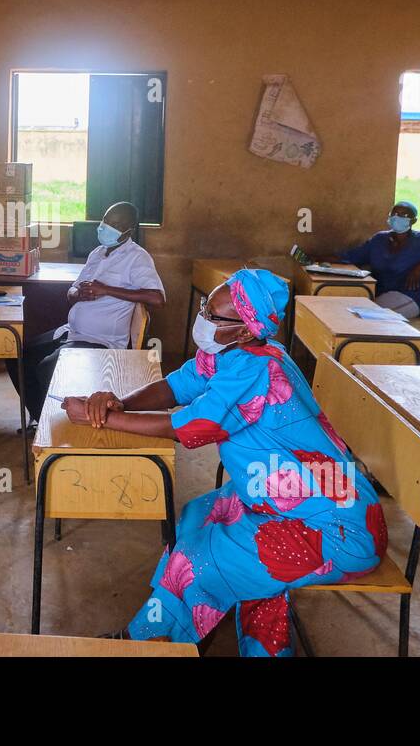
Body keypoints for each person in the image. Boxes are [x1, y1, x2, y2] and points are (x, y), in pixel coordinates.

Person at [62, 269, 385, 655]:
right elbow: (174, 387)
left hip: (335, 527)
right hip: (288, 500)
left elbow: (195, 426)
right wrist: (118, 402)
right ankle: (185, 634)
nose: (203, 318)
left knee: (197, 562)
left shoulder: (258, 368)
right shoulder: (229, 354)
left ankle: (143, 644)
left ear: (246, 331)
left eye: (214, 316)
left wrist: (106, 418)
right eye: (205, 307)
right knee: (197, 514)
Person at [6, 201, 164, 424]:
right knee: (17, 355)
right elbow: (72, 290)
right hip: (72, 331)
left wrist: (106, 289)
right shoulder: (98, 253)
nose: (107, 227)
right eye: (106, 220)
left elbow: (157, 298)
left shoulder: (137, 258)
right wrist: (77, 294)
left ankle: (57, 428)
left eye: (116, 224)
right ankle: (42, 418)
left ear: (128, 230)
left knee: (46, 368)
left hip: (100, 340)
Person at [338, 201, 420, 319]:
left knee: (370, 317)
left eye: (403, 216)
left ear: (413, 221)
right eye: (394, 214)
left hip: (408, 298)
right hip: (380, 295)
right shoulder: (379, 239)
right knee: (351, 312)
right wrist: (321, 260)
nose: (397, 218)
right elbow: (350, 257)